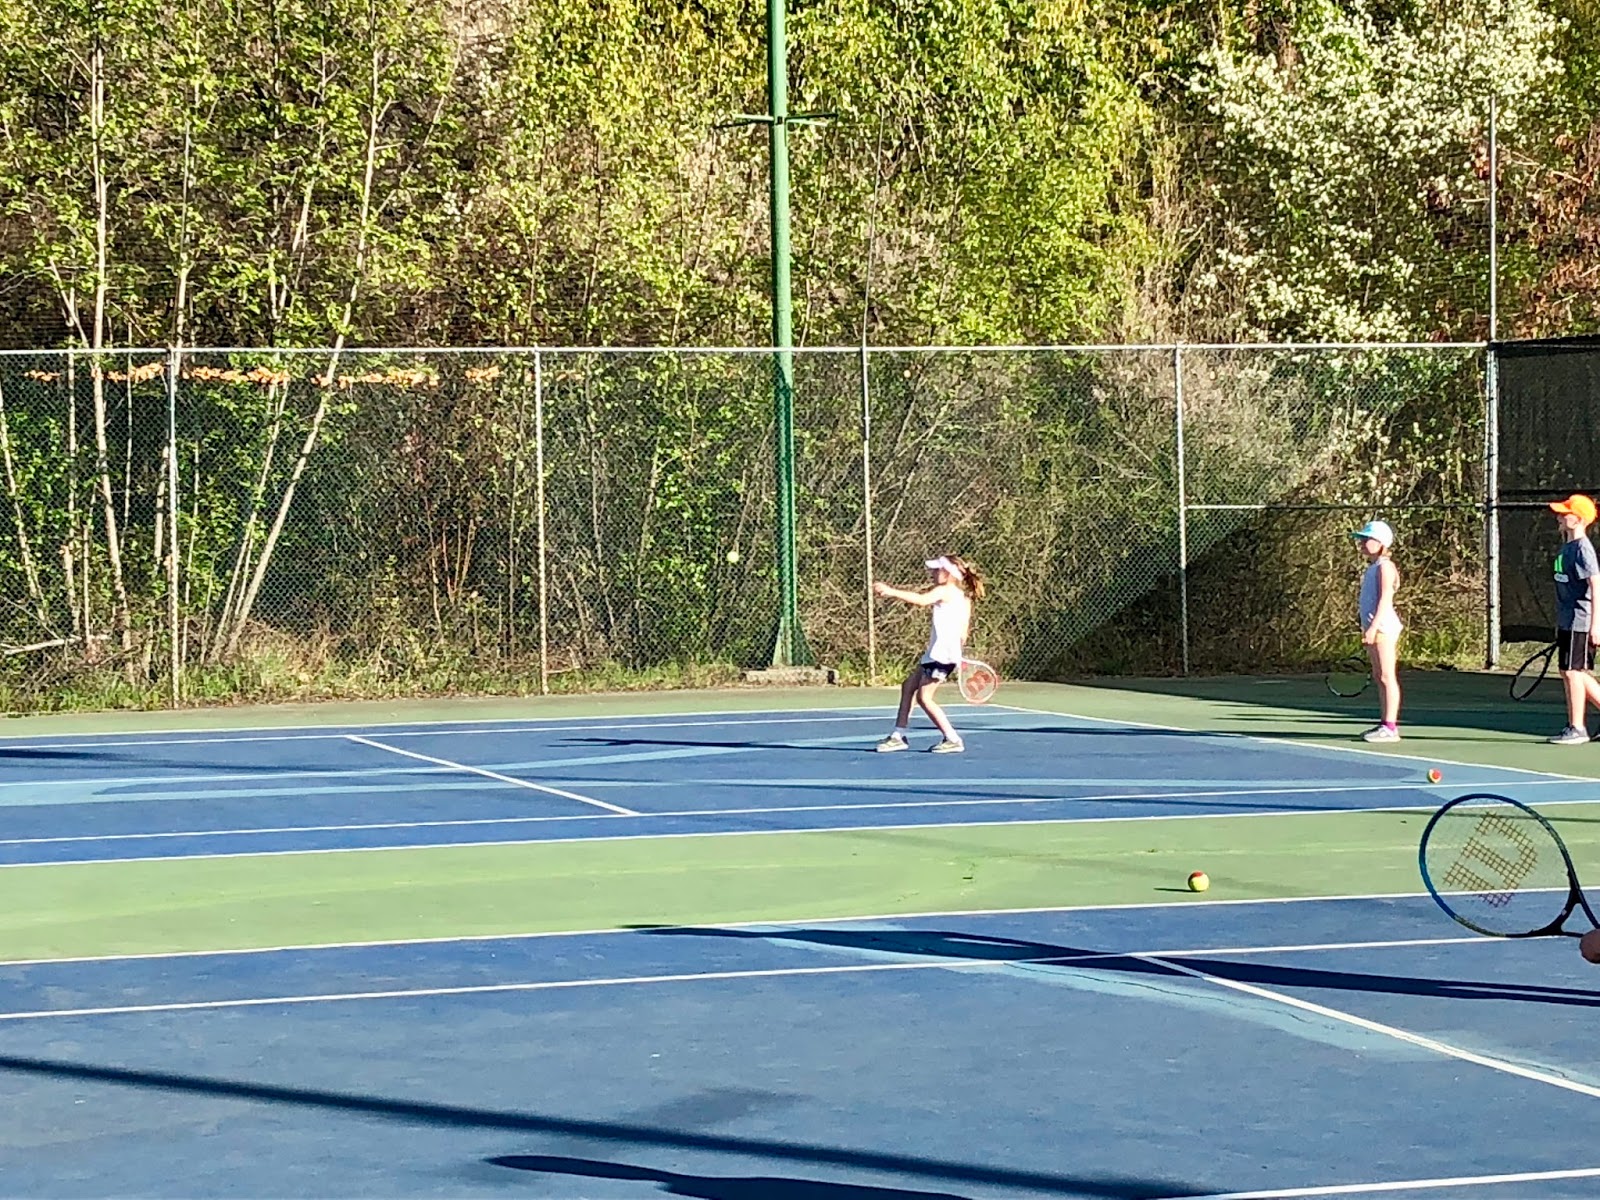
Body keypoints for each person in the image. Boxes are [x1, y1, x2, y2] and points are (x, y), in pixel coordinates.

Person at [873, 555, 985, 754]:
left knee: (925, 698)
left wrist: (891, 591)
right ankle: (898, 735)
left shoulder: (944, 591)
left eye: (937, 570)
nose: (932, 573)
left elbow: (922, 600)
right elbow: (963, 634)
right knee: (908, 686)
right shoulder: (964, 599)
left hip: (941, 656)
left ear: (949, 574)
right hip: (937, 654)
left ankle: (952, 739)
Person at [1547, 493, 1600, 745]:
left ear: (1578, 520)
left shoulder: (1582, 549)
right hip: (1568, 619)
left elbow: (1596, 584)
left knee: (1572, 672)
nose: (1559, 516)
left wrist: (1596, 625)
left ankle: (1577, 728)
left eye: (1565, 513)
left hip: (1581, 619)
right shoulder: (1568, 546)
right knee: (1573, 671)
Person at [1351, 519, 1403, 742]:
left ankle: (1390, 727)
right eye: (1361, 539)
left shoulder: (1385, 567)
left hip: (1383, 628)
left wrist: (1373, 627)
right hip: (1374, 627)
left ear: (1381, 543)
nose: (1362, 543)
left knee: (1386, 676)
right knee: (1379, 676)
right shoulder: (1374, 567)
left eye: (1367, 539)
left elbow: (1385, 600)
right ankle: (1385, 724)